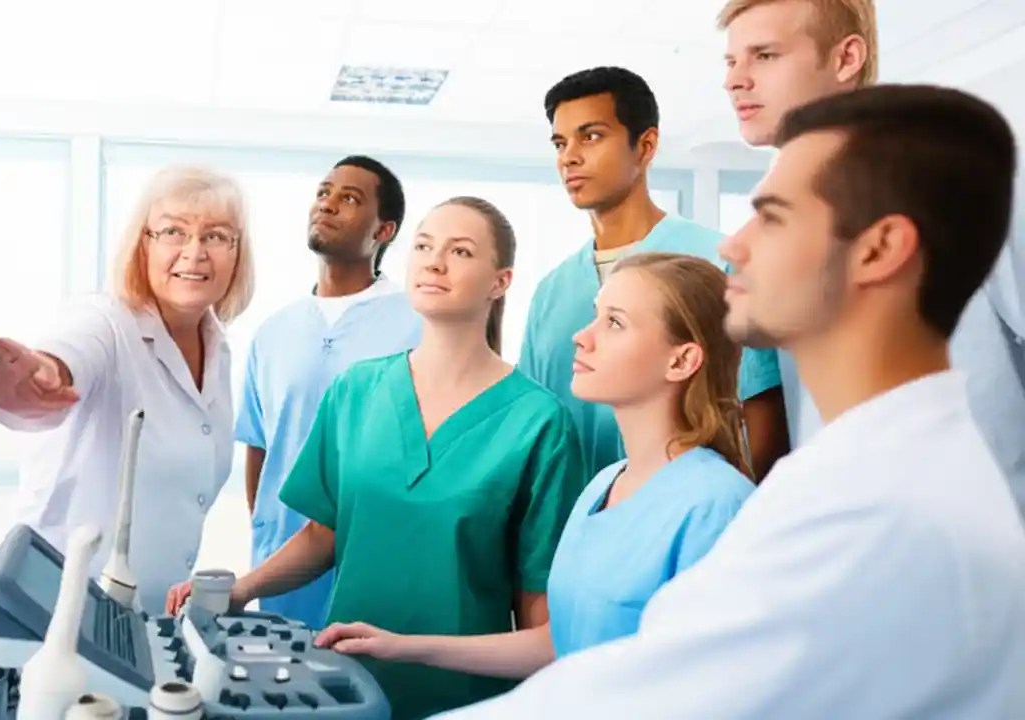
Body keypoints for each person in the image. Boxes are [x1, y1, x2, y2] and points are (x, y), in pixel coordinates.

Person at [434, 85, 1025, 719]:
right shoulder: (858, 474)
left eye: (771, 216)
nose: (731, 245)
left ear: (879, 249)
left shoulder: (880, 513)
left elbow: (647, 698)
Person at [168, 197, 586, 719]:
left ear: (500, 282)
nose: (434, 262)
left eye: (460, 251)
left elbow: (538, 613)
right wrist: (241, 589)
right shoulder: (357, 391)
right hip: (339, 685)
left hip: (460, 698)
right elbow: (325, 535)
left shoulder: (538, 422)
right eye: (424, 246)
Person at [312, 252, 755, 678]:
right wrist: (401, 646)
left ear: (681, 360)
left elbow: (715, 685)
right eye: (595, 315)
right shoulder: (603, 486)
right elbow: (556, 645)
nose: (582, 336)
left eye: (614, 322)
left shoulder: (715, 507)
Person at [721, 0, 1025, 515]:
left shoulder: (968, 186)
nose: (735, 80)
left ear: (846, 58)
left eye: (764, 56)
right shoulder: (773, 236)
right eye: (730, 62)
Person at [0, 165, 254, 613]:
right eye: (173, 232)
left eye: (217, 236)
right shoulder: (105, 321)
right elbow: (66, 358)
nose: (195, 252)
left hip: (144, 625)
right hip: (57, 615)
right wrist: (40, 377)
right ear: (142, 243)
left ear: (238, 253)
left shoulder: (218, 348)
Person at [519, 66, 786, 481]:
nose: (569, 156)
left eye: (591, 136)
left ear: (645, 147)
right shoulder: (551, 293)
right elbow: (536, 426)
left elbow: (762, 422)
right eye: (560, 142)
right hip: (577, 521)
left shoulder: (720, 264)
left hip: (692, 523)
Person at [238, 155, 421, 628]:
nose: (328, 204)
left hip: (373, 560)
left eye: (350, 198)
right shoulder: (274, 332)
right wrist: (271, 529)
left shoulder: (416, 322)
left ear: (384, 231)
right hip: (280, 563)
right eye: (324, 193)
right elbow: (260, 448)